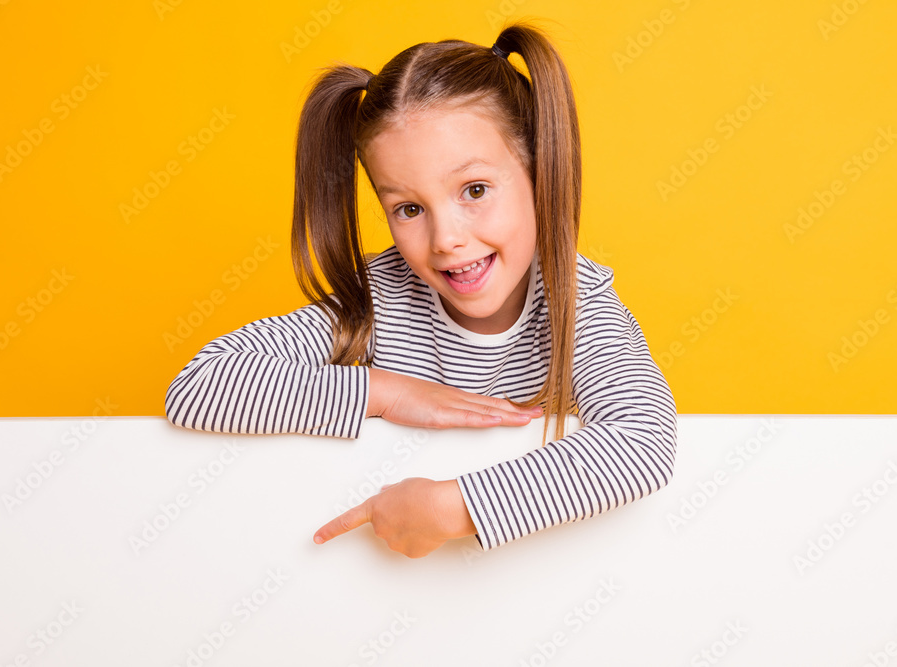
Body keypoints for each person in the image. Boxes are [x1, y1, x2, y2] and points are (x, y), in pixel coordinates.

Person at [164, 20, 678, 558]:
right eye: (409, 209)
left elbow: (640, 442)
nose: (446, 239)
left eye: (474, 190)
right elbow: (199, 385)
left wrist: (450, 509)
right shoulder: (378, 300)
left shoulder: (579, 300)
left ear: (538, 172)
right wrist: (388, 394)